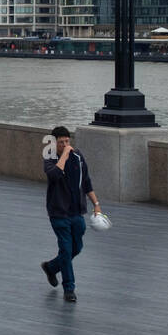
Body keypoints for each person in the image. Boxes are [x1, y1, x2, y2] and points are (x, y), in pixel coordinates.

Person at [41, 126, 102, 304]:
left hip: (76, 212)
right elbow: (54, 175)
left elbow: (87, 182)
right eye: (61, 142)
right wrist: (64, 155)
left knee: (76, 248)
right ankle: (69, 289)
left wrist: (96, 205)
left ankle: (51, 267)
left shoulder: (78, 157)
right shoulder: (50, 156)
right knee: (66, 250)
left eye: (68, 141)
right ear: (54, 143)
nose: (66, 145)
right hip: (58, 213)